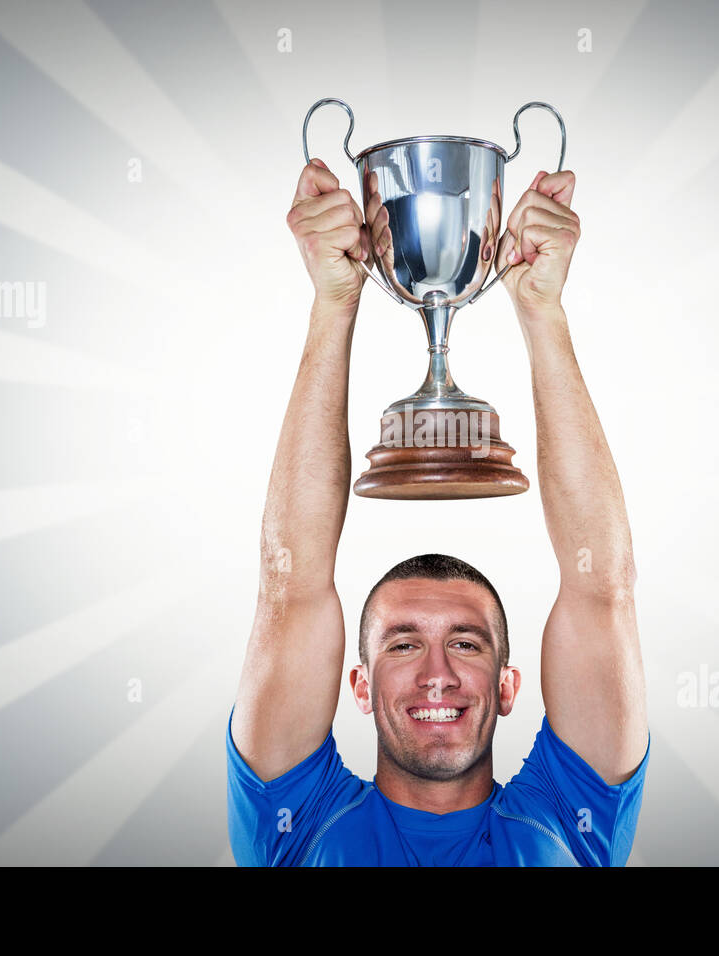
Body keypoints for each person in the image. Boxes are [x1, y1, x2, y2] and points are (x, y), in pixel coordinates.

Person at [226, 156, 649, 865]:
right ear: (356, 686)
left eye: (466, 642)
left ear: (510, 685)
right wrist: (334, 303)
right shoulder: (294, 822)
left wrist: (541, 309)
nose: (436, 674)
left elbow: (601, 587)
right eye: (400, 643)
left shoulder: (568, 819)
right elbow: (288, 586)